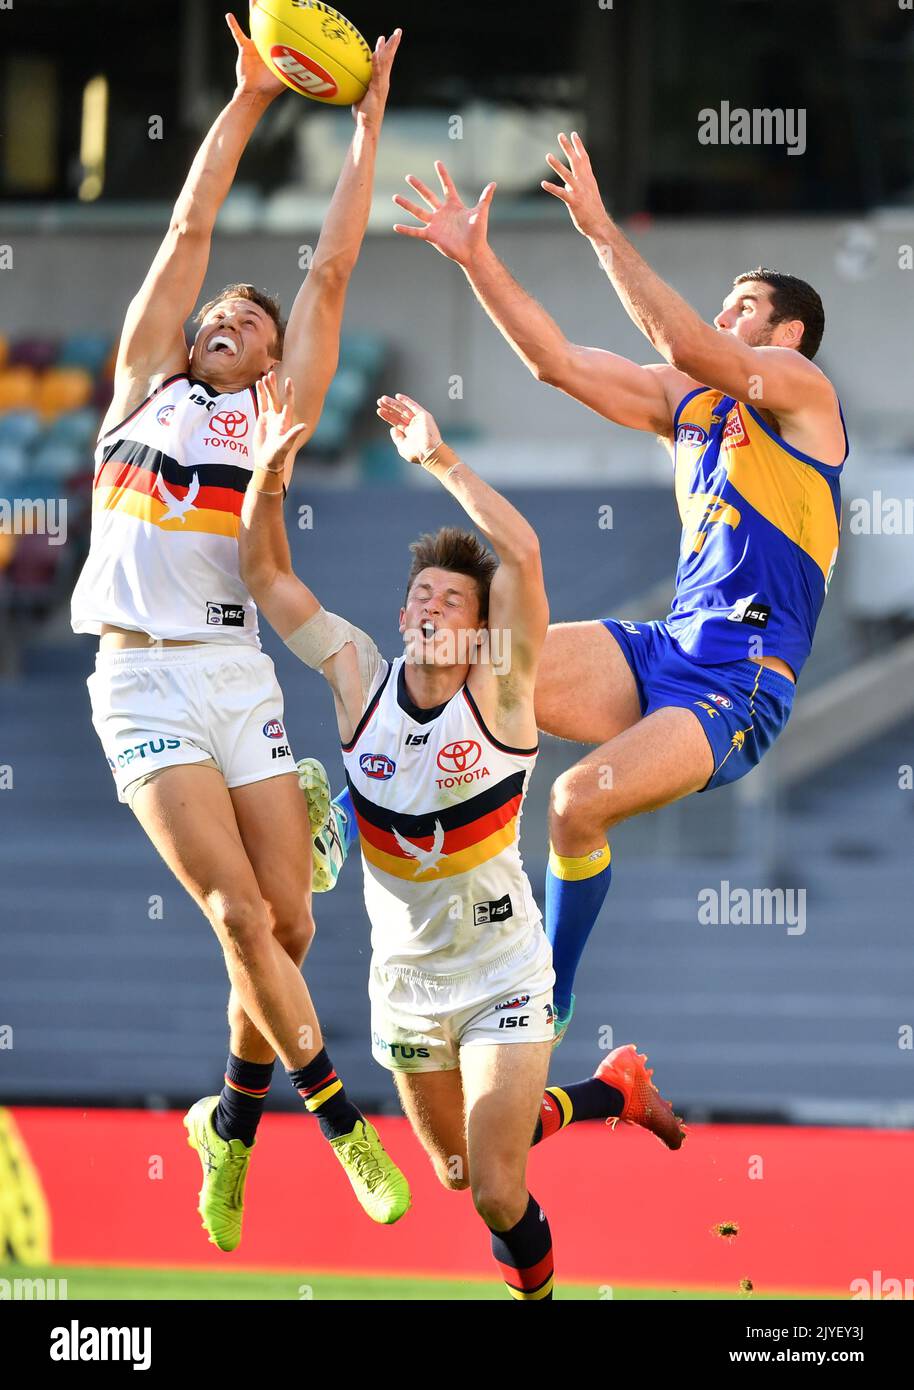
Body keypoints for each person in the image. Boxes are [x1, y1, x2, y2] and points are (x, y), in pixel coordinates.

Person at [311, 135, 848, 1043]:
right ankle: (353, 805)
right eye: (723, 305)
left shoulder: (801, 391)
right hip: (668, 648)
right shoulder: (695, 411)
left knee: (574, 804)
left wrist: (599, 228)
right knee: (474, 662)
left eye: (742, 308)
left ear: (786, 333)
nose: (722, 319)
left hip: (739, 681)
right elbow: (554, 361)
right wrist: (478, 257)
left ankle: (548, 999)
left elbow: (679, 339)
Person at [69, 16, 409, 1251]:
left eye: (246, 321)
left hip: (232, 669)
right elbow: (188, 227)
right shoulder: (142, 387)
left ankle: (226, 1118)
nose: (225, 315)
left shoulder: (279, 409)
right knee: (238, 920)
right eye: (217, 312)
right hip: (140, 686)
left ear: (270, 356)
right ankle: (338, 1122)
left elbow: (328, 270)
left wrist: (366, 123)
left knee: (295, 927)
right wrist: (254, 96)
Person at [239, 373, 684, 1300]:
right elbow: (268, 577)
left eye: (452, 599)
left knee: (494, 1189)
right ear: (403, 613)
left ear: (483, 630)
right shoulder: (359, 674)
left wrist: (438, 458)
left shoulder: (502, 691)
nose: (432, 607)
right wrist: (269, 474)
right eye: (421, 596)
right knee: (455, 1174)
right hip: (405, 985)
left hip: (504, 977)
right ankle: (612, 1092)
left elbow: (518, 552)